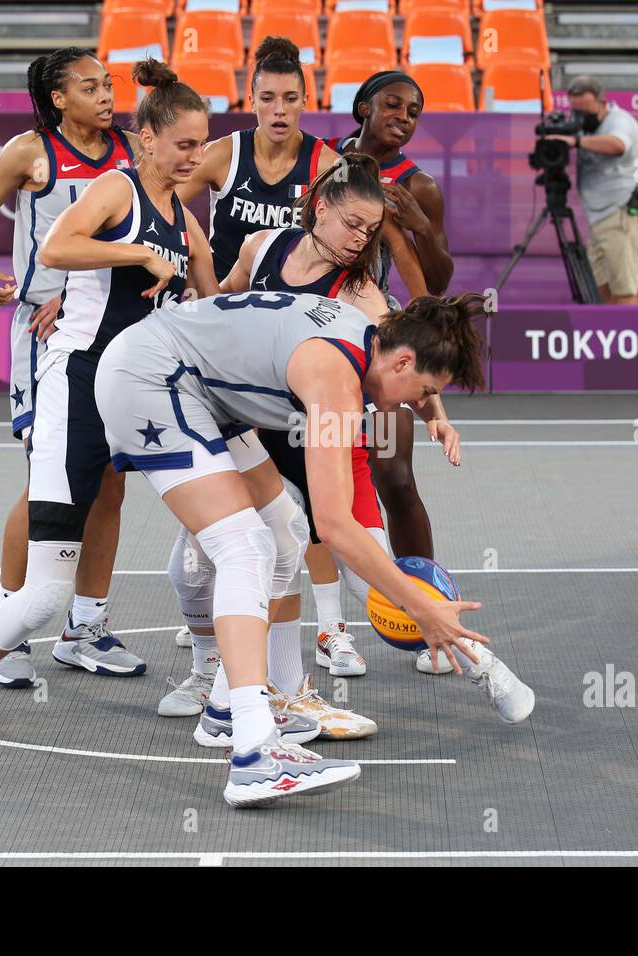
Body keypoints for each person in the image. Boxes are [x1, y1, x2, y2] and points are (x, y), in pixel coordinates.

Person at [92, 289, 534, 806]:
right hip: (150, 377)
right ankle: (253, 758)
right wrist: (421, 607)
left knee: (285, 529)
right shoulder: (336, 382)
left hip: (195, 383)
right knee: (246, 546)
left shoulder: (366, 332)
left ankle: (225, 713)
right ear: (403, 362)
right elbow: (337, 526)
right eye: (424, 390)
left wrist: (433, 405)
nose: (416, 403)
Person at [0, 59, 221, 738]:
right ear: (151, 140)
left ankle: (220, 678)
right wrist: (136, 258)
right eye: (185, 144)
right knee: (43, 585)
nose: (195, 158)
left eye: (202, 145)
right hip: (71, 372)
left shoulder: (181, 215)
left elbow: (214, 301)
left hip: (141, 390)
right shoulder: (102, 183)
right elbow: (57, 247)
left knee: (232, 528)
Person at [160, 154, 397, 740]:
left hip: (309, 435)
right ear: (321, 207)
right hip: (239, 423)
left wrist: (435, 410)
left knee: (293, 550)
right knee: (198, 560)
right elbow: (223, 306)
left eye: (370, 230)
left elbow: (400, 355)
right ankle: (214, 675)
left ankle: (280, 689)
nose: (360, 238)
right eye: (353, 224)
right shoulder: (262, 247)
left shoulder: (360, 291)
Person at [0, 47, 145, 687]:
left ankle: (85, 628)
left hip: (112, 331)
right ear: (58, 98)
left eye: (108, 84)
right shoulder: (29, 152)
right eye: (90, 87)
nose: (106, 95)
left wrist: (84, 291)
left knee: (110, 480)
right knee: (46, 483)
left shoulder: (130, 154)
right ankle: (9, 628)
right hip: (45, 334)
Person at [324, 71, 468, 675]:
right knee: (292, 489)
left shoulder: (419, 186)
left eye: (414, 111)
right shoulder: (324, 162)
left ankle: (429, 614)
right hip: (312, 334)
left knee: (396, 477)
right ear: (363, 107)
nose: (404, 117)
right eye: (393, 105)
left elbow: (436, 281)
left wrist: (422, 227)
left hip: (377, 342)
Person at [554, 75, 638, 305]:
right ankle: (609, 328)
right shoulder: (583, 126)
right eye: (576, 111)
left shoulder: (620, 121)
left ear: (602, 103)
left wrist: (575, 142)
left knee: (623, 290)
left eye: (586, 111)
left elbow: (618, 145)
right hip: (599, 217)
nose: (581, 118)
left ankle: (630, 330)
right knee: (601, 290)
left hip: (622, 213)